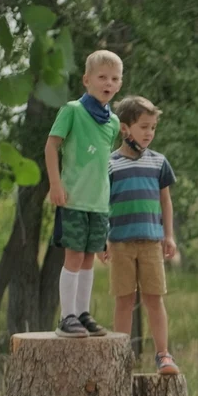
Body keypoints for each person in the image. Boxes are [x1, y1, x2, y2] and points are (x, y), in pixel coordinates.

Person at [46, 49, 123, 338]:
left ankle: (82, 312)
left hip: (98, 202)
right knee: (74, 256)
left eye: (114, 79)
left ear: (119, 84)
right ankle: (66, 317)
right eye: (102, 77)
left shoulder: (113, 122)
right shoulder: (72, 111)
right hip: (74, 198)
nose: (108, 83)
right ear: (86, 80)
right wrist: (55, 184)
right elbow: (51, 147)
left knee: (90, 257)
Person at [104, 95, 179, 374]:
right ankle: (121, 356)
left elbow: (165, 201)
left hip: (151, 241)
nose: (149, 133)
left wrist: (169, 235)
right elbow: (103, 204)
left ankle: (163, 354)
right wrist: (104, 238)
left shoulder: (158, 163)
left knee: (154, 298)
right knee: (124, 299)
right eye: (144, 127)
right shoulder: (110, 164)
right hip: (120, 242)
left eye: (153, 128)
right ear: (125, 129)